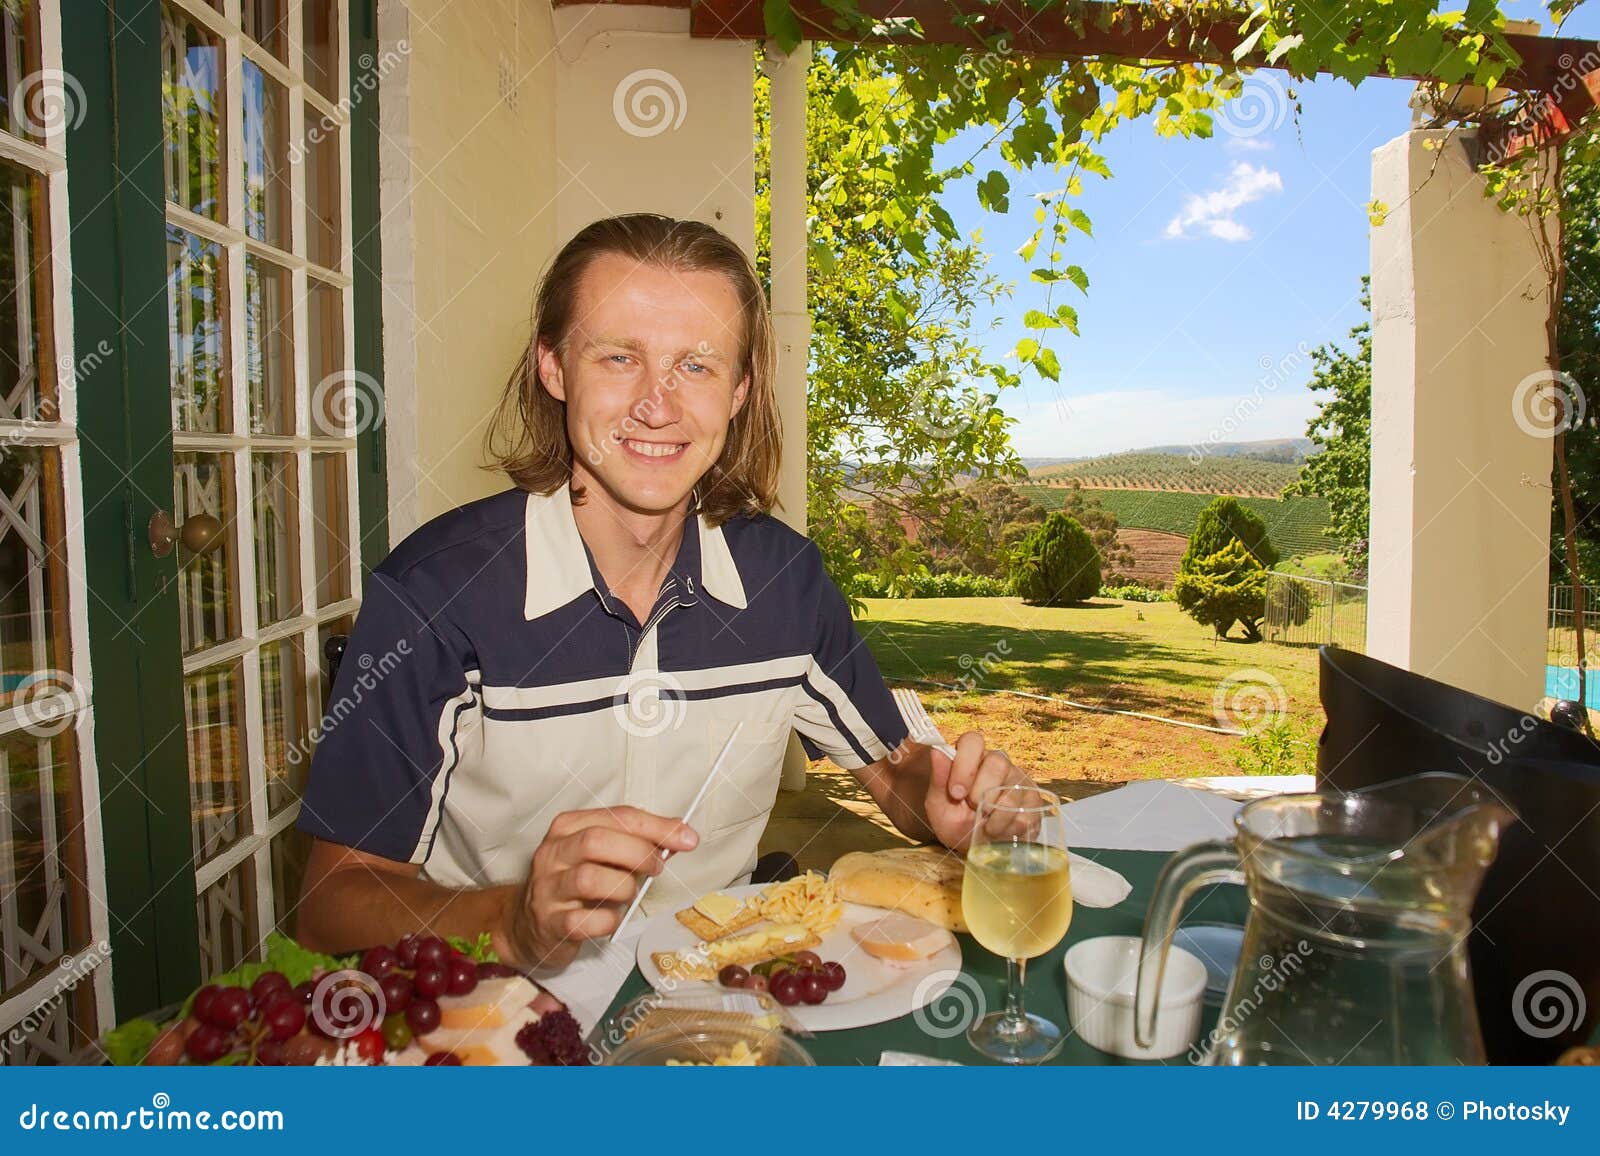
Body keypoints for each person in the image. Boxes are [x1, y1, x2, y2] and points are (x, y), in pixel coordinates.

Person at [294, 214, 1034, 972]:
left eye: (699, 366)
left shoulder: (786, 580)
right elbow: (329, 903)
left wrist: (943, 805)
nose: (659, 403)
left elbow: (894, 773)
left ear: (741, 391)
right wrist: (510, 920)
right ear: (552, 366)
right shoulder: (434, 594)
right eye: (619, 357)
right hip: (495, 1023)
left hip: (724, 1006)